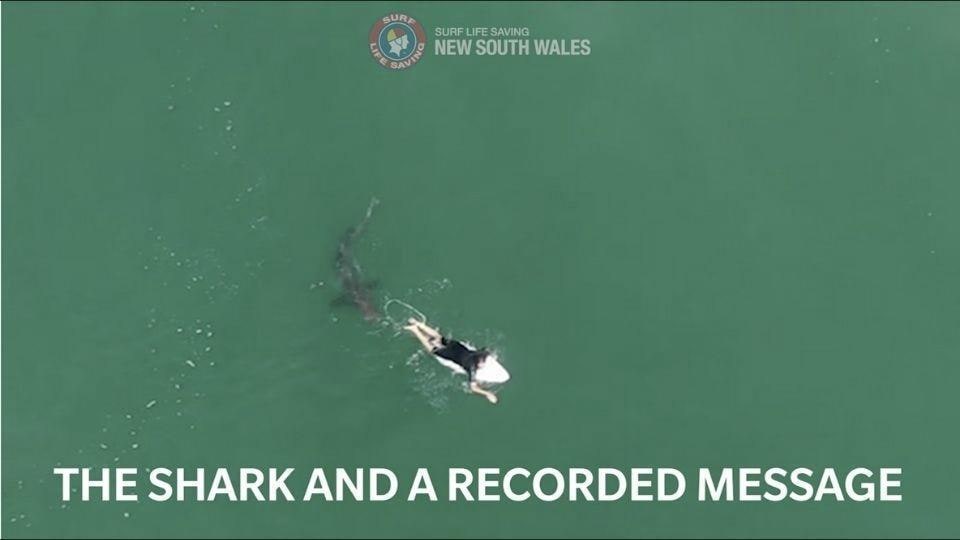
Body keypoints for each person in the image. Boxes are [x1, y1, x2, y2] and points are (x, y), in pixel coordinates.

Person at [403, 318, 502, 404]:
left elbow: (486, 352)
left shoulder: (478, 353)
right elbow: (473, 388)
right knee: (432, 349)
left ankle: (418, 323)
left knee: (439, 337)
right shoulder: (471, 368)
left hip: (456, 346)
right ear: (478, 363)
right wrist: (487, 393)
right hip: (451, 355)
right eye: (483, 363)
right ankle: (415, 330)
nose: (484, 364)